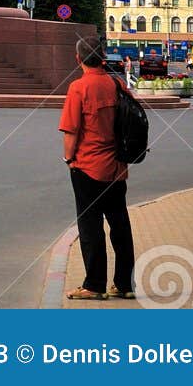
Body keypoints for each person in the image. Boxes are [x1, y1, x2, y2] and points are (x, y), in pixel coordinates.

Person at [59, 39, 135, 300]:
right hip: (116, 167)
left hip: (87, 166)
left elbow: (71, 131)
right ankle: (124, 284)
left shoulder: (78, 88)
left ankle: (94, 284)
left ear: (77, 58)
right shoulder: (116, 84)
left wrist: (69, 159)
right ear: (102, 57)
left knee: (90, 226)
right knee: (120, 224)